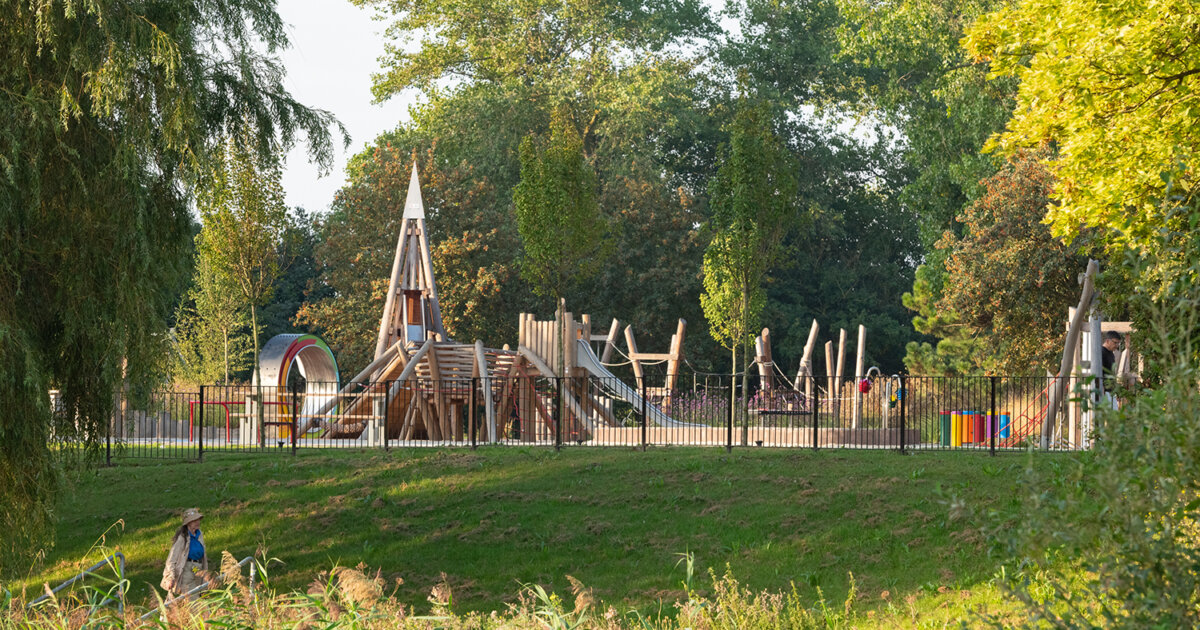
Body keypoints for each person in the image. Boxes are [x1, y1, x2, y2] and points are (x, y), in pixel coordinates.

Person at [160, 508, 209, 598]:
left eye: (198, 519)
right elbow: (171, 559)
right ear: (188, 523)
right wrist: (170, 577)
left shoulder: (199, 534)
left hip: (197, 569)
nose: (197, 522)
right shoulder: (182, 538)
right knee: (195, 601)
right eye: (194, 520)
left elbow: (203, 557)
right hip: (186, 569)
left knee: (199, 595)